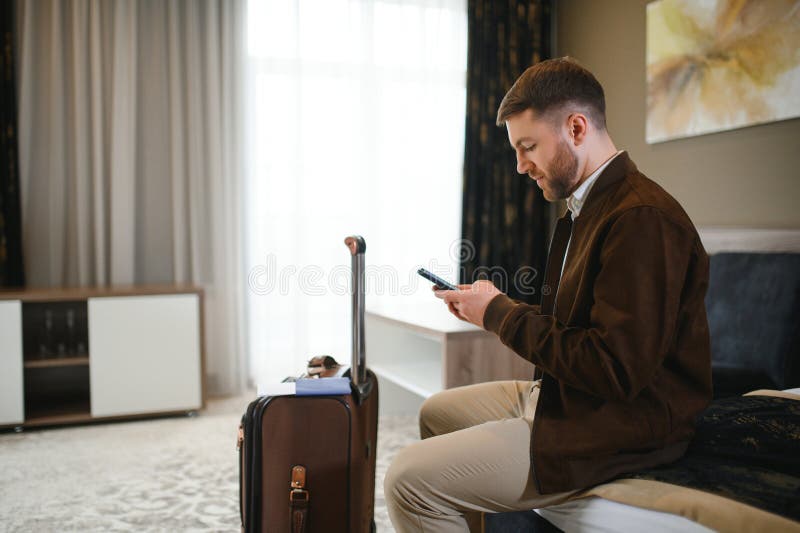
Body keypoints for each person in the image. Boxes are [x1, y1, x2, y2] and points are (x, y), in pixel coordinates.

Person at [384, 57, 712, 532]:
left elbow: (615, 369)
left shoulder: (641, 219)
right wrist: (494, 308)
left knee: (406, 479)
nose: (521, 166)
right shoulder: (587, 209)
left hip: (622, 426)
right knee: (437, 411)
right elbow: (582, 325)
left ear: (576, 128)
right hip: (572, 400)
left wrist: (500, 314)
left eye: (528, 147)